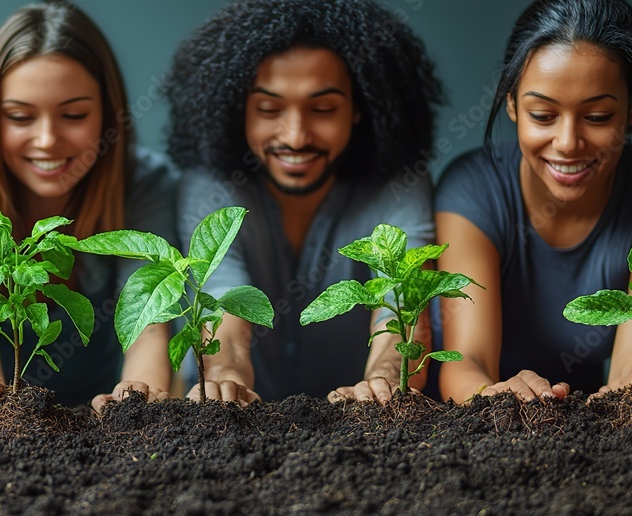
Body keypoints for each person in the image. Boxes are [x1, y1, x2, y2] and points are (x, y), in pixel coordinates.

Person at [166, 0, 444, 404]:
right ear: (237, 110)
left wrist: (383, 383)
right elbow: (225, 306)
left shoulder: (400, 182)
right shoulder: (210, 184)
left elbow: (403, 307)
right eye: (268, 108)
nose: (295, 136)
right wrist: (227, 378)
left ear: (358, 109)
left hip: (357, 434)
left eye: (323, 109)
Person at [0, 1, 178, 410]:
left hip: (102, 413)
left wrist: (138, 396)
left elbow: (149, 319)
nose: (48, 140)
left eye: (73, 115)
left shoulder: (145, 182)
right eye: (19, 117)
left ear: (107, 114)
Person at [436, 0, 632, 404]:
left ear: (631, 108)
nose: (567, 143)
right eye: (543, 115)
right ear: (511, 104)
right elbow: (466, 359)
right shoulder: (473, 189)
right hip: (468, 426)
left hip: (575, 410)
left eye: (597, 117)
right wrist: (492, 396)